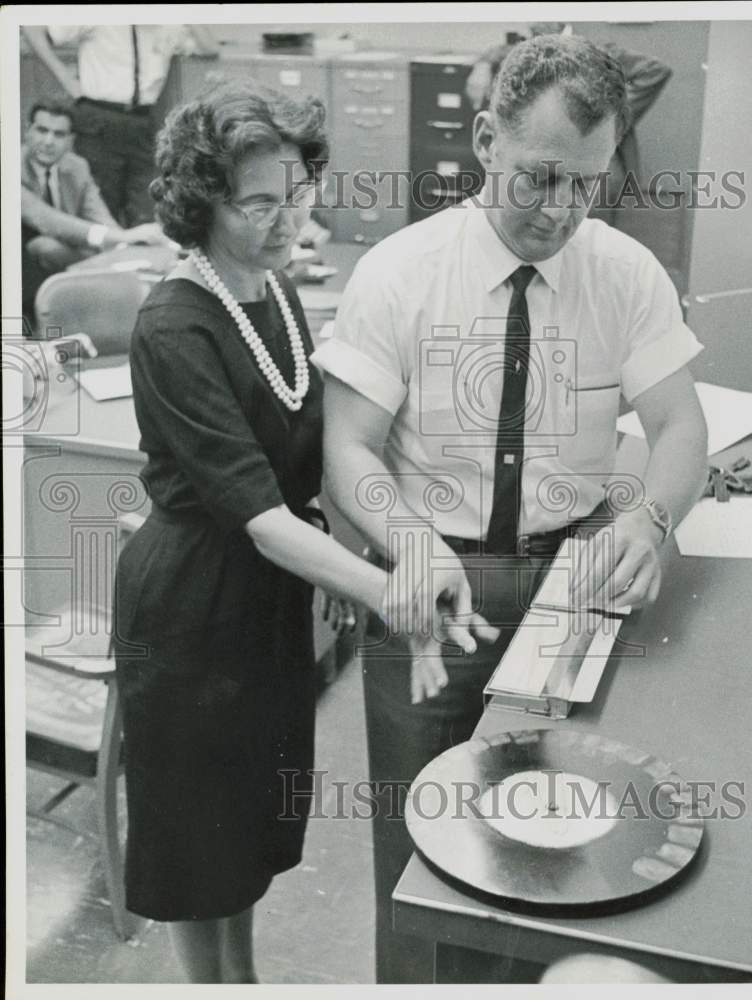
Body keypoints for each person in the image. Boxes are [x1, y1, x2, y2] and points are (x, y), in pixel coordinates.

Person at [314, 33, 708, 983]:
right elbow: (347, 449)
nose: (562, 209)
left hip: (570, 587)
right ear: (487, 139)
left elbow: (680, 426)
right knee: (419, 855)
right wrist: (410, 542)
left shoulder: (624, 274)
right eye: (542, 177)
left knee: (554, 848)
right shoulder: (402, 272)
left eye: (587, 183)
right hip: (429, 589)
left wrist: (649, 520)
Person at [112, 77, 492, 984]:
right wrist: (392, 592)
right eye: (259, 204)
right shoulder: (173, 324)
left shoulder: (275, 291)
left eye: (299, 193)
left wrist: (389, 549)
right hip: (193, 612)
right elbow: (261, 518)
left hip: (264, 608)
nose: (288, 220)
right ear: (203, 202)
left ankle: (239, 982)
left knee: (243, 834)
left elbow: (318, 454)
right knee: (197, 844)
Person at [465, 23, 673, 227]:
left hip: (597, 166)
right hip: (545, 162)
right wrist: (483, 64)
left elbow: (655, 70)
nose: (537, 21)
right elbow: (501, 51)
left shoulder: (598, 52)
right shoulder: (530, 48)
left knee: (584, 231)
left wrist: (610, 116)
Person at [22, 24, 218, 226]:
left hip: (143, 120)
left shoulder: (165, 25)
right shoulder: (97, 15)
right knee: (100, 209)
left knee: (148, 207)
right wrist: (66, 78)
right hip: (99, 118)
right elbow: (31, 29)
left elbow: (209, 47)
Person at [21, 100, 169, 321]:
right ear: (27, 131)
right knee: (45, 246)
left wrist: (126, 244)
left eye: (59, 134)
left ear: (71, 140)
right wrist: (122, 238)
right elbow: (46, 220)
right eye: (42, 130)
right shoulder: (10, 166)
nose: (49, 141)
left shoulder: (76, 166)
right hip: (21, 271)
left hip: (66, 258)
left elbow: (99, 215)